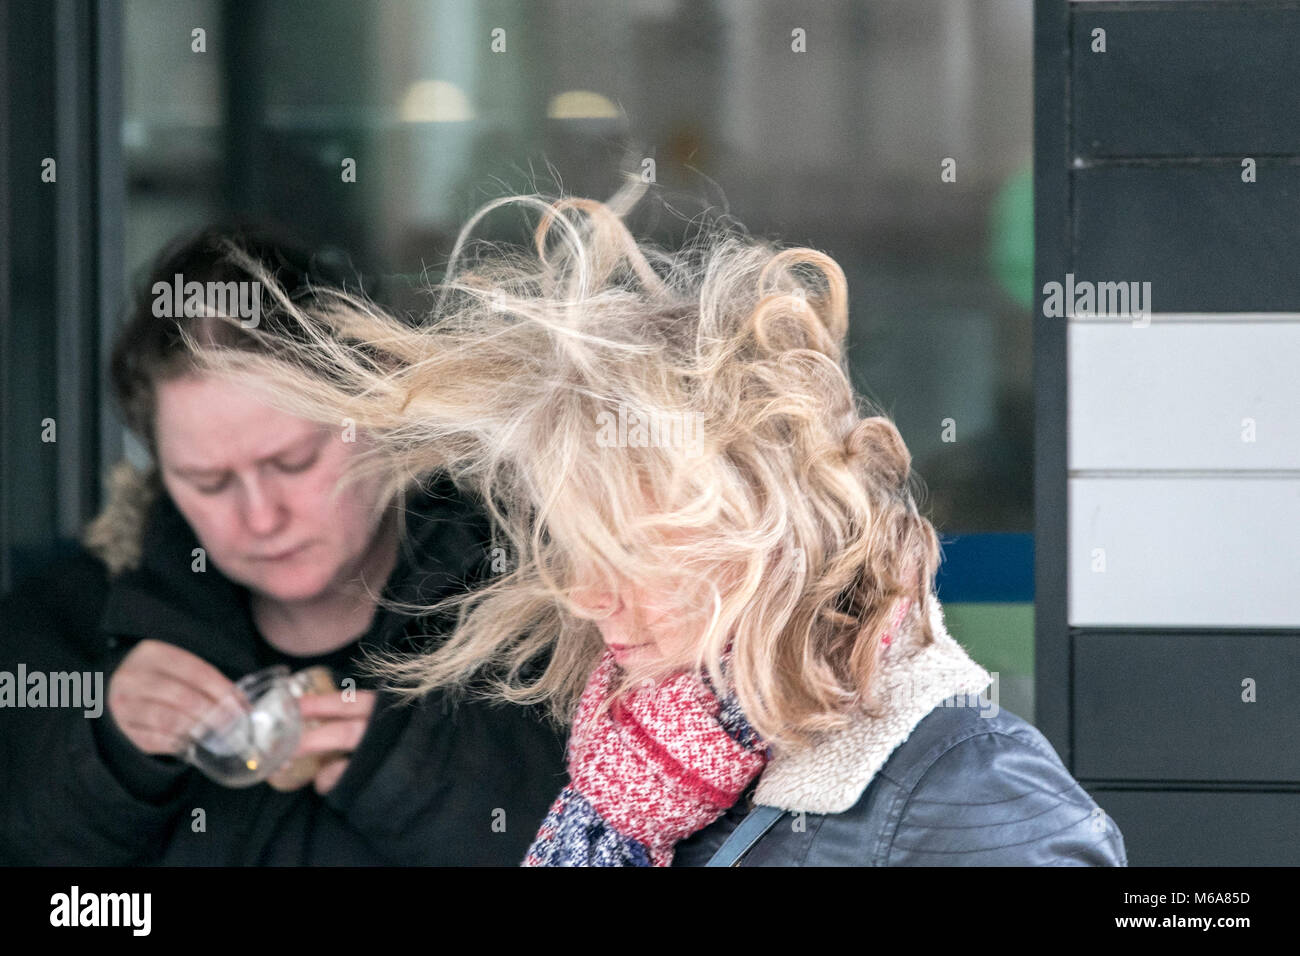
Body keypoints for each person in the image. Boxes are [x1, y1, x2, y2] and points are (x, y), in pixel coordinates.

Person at [192, 186, 1128, 867]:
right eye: (570, 550)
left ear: (758, 527)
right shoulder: (635, 769)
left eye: (631, 555)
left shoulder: (963, 782)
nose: (592, 596)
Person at [0, 223, 567, 865]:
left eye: (293, 462)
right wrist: (107, 755)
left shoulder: (541, 609)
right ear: (160, 470)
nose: (261, 517)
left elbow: (620, 840)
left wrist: (410, 772)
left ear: (379, 408)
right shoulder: (72, 623)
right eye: (208, 482)